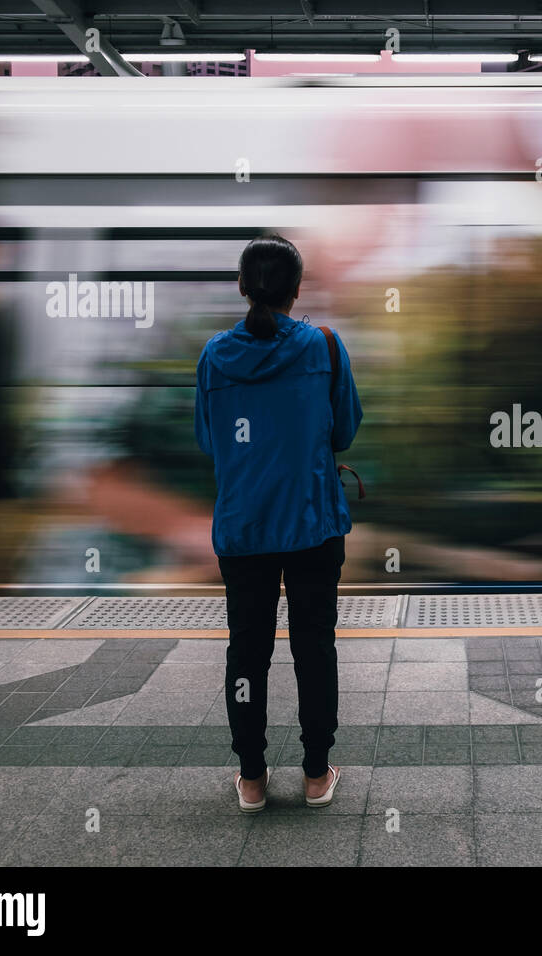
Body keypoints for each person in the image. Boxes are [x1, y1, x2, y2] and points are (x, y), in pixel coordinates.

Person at [194, 235, 362, 812]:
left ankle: (252, 779)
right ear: (297, 289)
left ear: (242, 287)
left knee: (247, 652)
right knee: (314, 647)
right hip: (313, 523)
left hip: (244, 528)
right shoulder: (325, 347)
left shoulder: (215, 356)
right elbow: (342, 434)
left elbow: (208, 442)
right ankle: (317, 774)